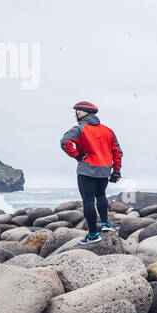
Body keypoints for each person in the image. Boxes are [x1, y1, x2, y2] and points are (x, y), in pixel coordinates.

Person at [60, 100, 122, 244]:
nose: (75, 116)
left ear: (81, 113)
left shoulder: (80, 128)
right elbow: (117, 152)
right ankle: (106, 224)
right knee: (101, 196)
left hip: (87, 169)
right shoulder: (108, 130)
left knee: (88, 201)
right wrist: (116, 171)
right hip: (105, 170)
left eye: (76, 113)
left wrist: (77, 155)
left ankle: (93, 235)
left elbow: (65, 142)